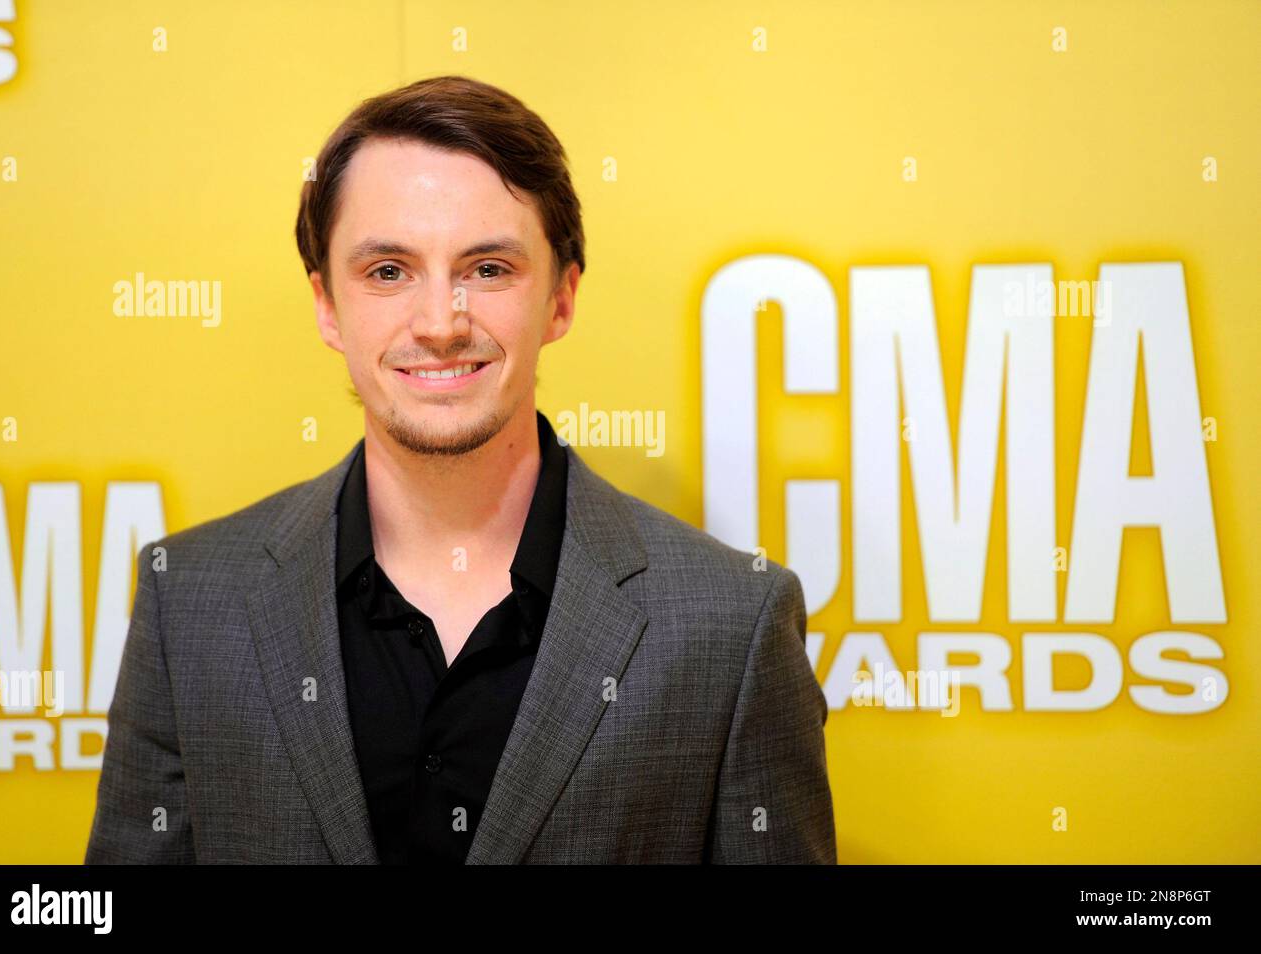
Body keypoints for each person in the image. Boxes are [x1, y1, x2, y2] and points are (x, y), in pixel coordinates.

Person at [85, 75, 835, 864]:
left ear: (561, 298)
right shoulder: (192, 603)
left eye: (487, 269)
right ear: (327, 307)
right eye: (388, 271)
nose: (440, 324)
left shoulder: (731, 624)